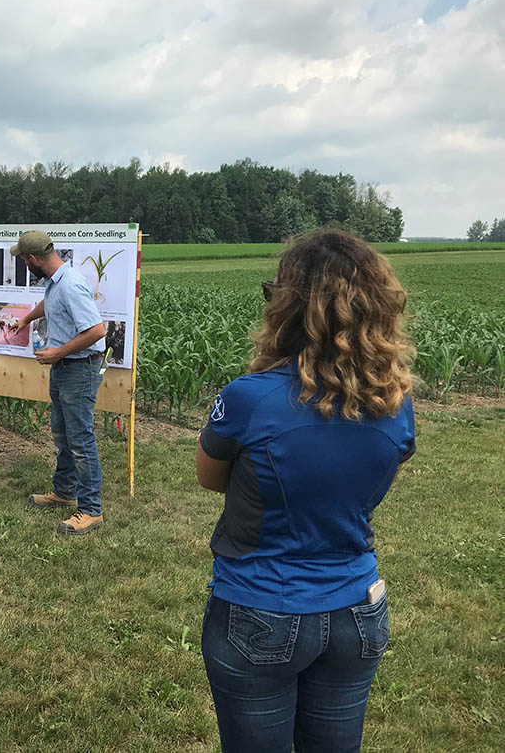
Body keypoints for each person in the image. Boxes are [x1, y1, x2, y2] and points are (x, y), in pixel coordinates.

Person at [195, 228, 416, 752]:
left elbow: (209, 476)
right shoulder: (395, 401)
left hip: (259, 606)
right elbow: (381, 477)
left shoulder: (249, 398)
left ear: (288, 307)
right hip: (358, 610)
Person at [10, 230, 107, 535]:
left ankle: (91, 509)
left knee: (80, 440)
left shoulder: (71, 285)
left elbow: (97, 331)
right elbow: (48, 304)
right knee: (63, 434)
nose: (25, 265)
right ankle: (64, 491)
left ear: (33, 259)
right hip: (64, 368)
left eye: (24, 260)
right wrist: (26, 318)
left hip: (79, 369)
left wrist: (57, 352)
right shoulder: (56, 283)